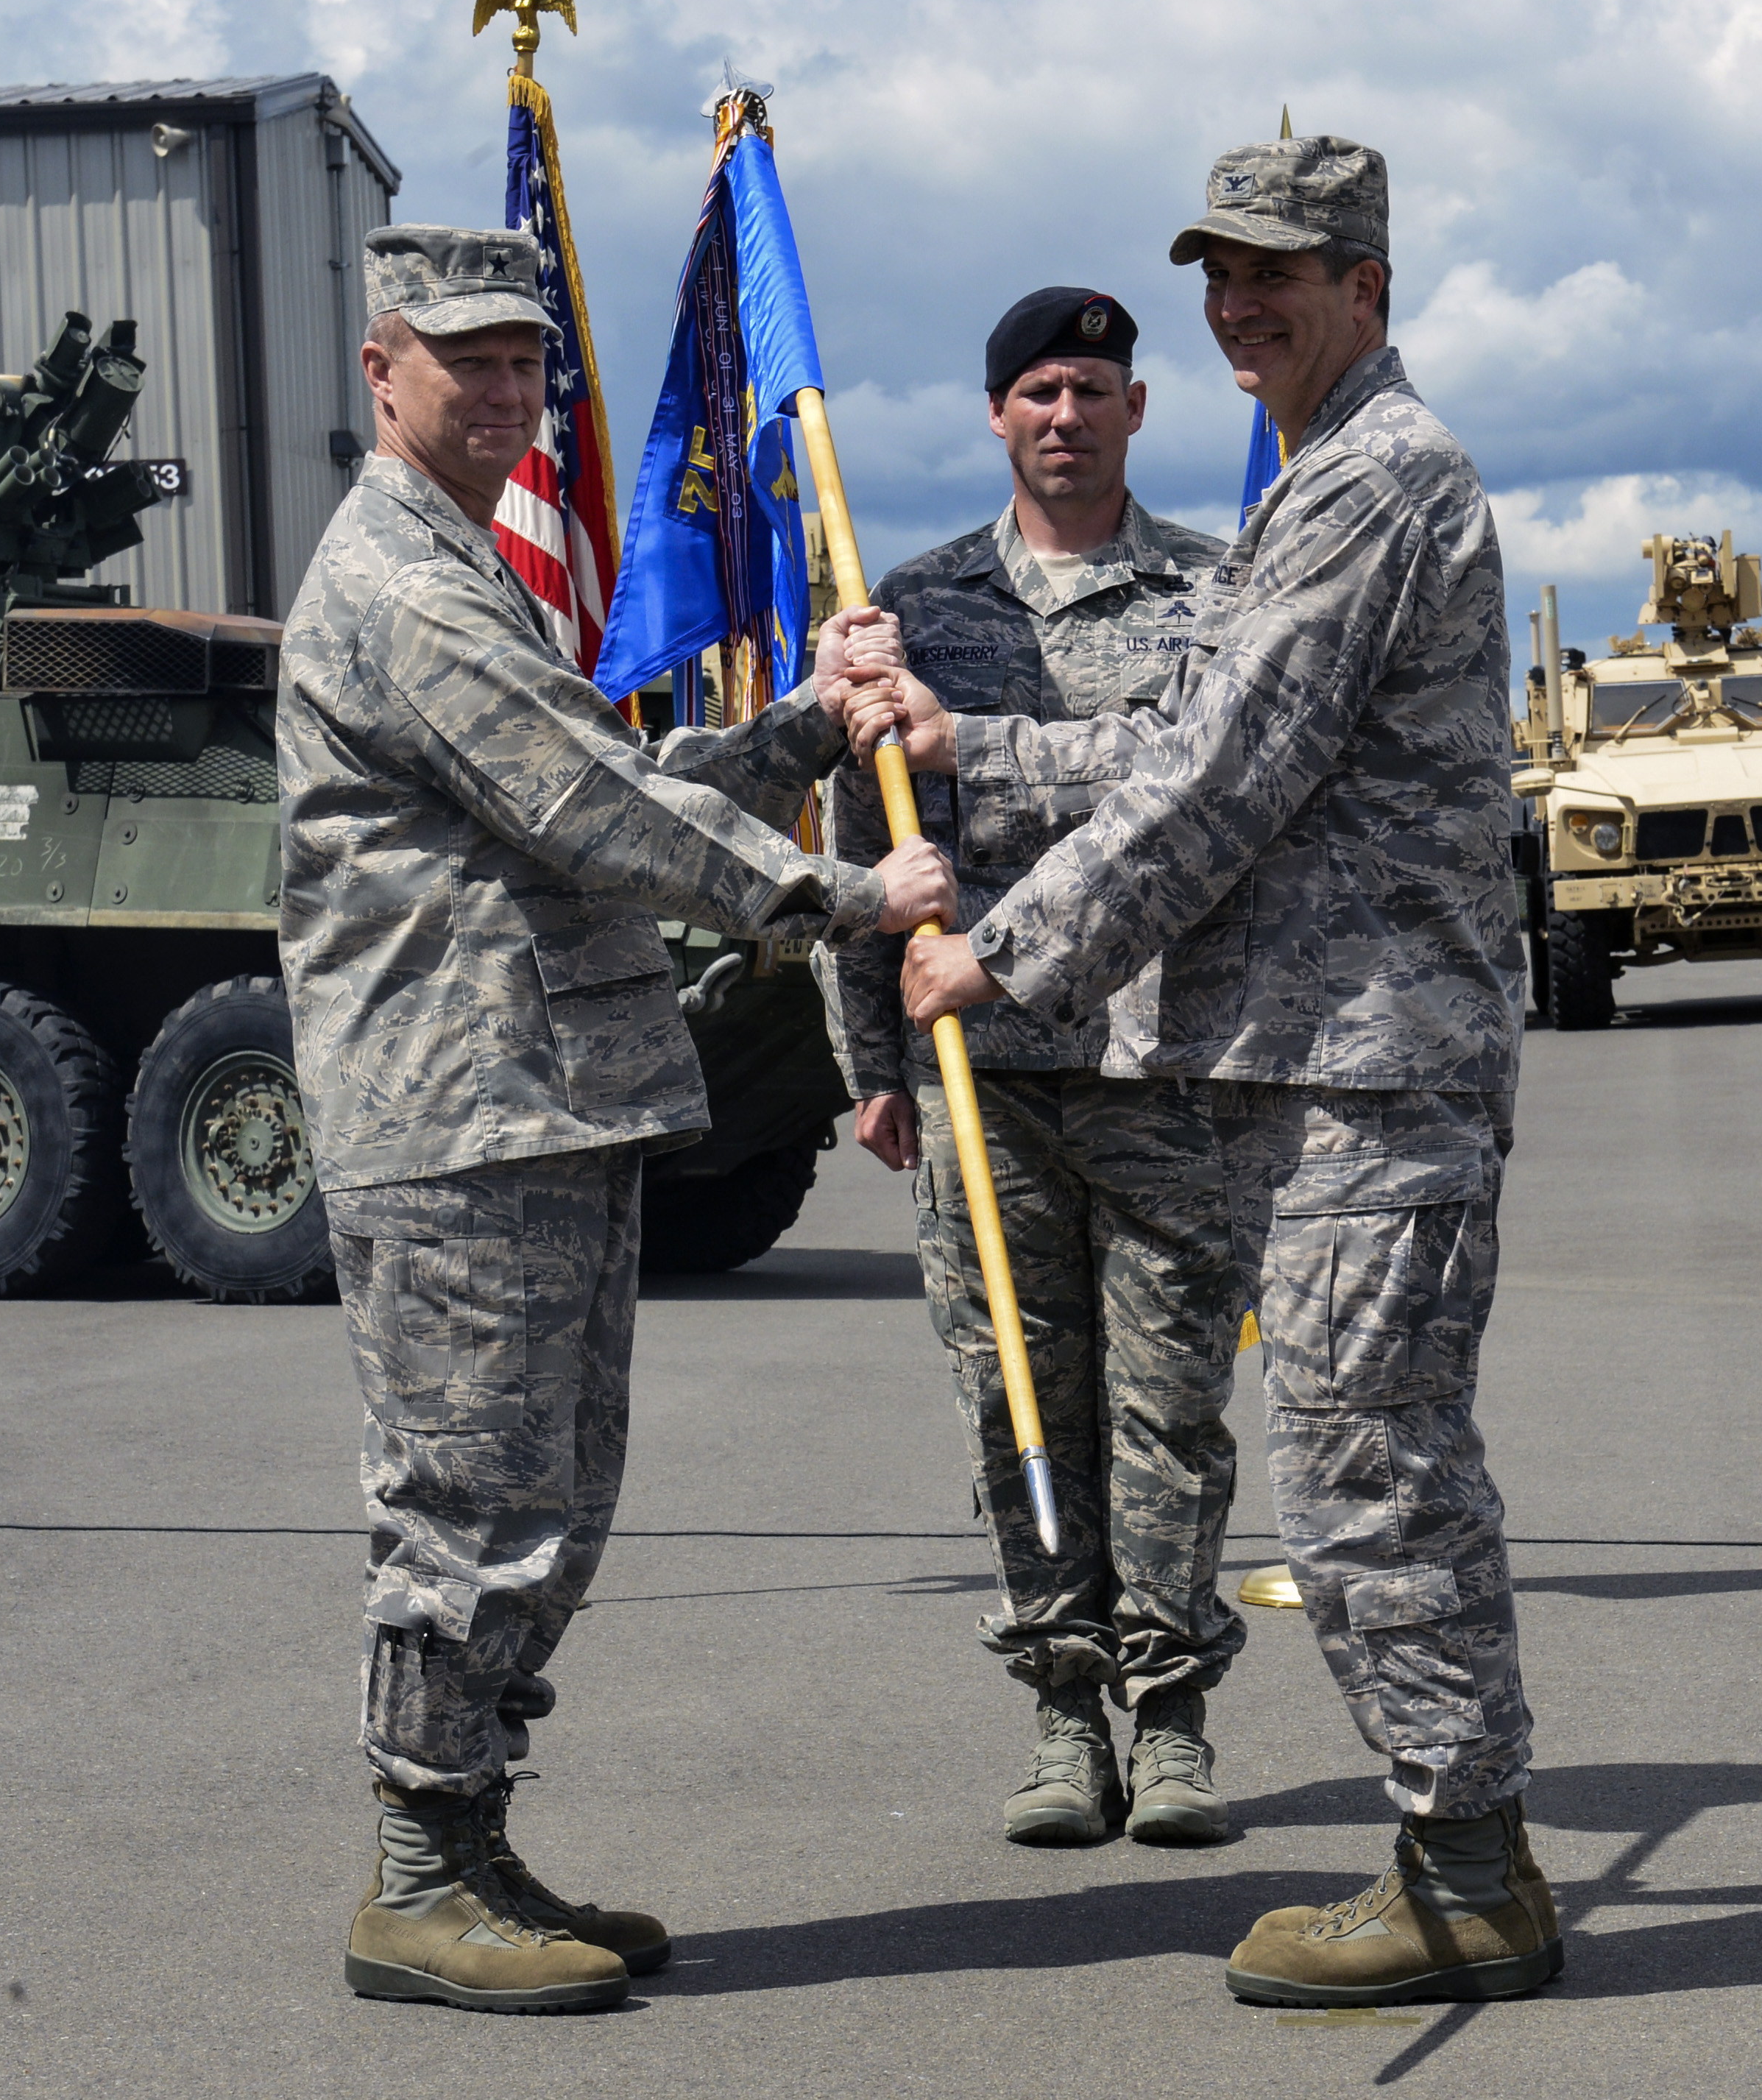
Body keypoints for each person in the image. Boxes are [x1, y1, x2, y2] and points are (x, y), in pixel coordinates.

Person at [863, 137, 1561, 2010]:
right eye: (1223, 272)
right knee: (1365, 1467)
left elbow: (1218, 778)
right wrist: (974, 743)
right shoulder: (1315, 482)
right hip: (1323, 1067)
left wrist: (999, 950)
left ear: (1369, 288)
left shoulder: (1374, 483)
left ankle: (1463, 1873)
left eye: (1284, 270)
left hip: (1373, 1066)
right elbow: (1175, 727)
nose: (1244, 300)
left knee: (1371, 1477)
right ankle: (1466, 1848)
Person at [278, 224, 954, 2014]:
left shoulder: (467, 568)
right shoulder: (404, 585)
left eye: (528, 367)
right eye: (469, 362)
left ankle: (471, 1830)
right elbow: (583, 803)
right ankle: (415, 1874)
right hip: (457, 1118)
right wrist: (838, 902)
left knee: (553, 1496)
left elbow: (606, 776)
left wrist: (804, 728)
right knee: (470, 1500)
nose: (508, 393)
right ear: (384, 370)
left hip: (535, 1102)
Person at [818, 289, 1250, 1848]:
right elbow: (865, 844)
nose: (1065, 414)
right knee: (1015, 1402)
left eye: (1093, 388)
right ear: (998, 418)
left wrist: (974, 743)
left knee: (1174, 1406)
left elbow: (1210, 784)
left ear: (1139, 410)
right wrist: (868, 1056)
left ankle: (1177, 1708)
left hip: (1160, 1065)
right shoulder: (915, 608)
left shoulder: (1219, 594)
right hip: (977, 1069)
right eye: (1038, 392)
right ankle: (1065, 1714)